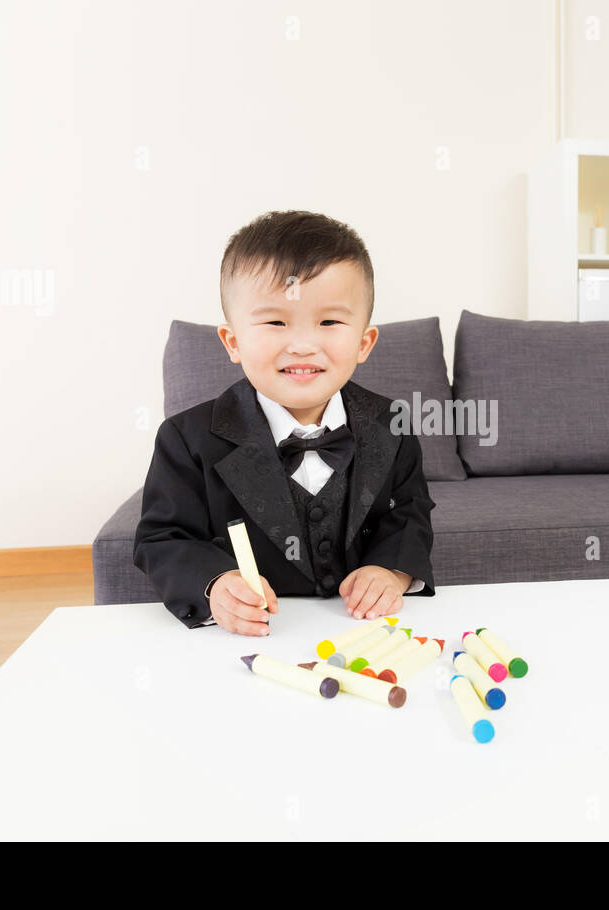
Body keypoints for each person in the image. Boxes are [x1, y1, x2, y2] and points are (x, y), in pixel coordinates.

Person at [134, 210, 436, 634]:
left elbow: (408, 514)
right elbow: (163, 539)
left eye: (329, 322)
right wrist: (215, 586)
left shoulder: (394, 425)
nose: (302, 345)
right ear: (233, 341)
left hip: (361, 633)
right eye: (275, 322)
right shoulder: (185, 439)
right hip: (253, 638)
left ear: (364, 342)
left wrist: (392, 571)